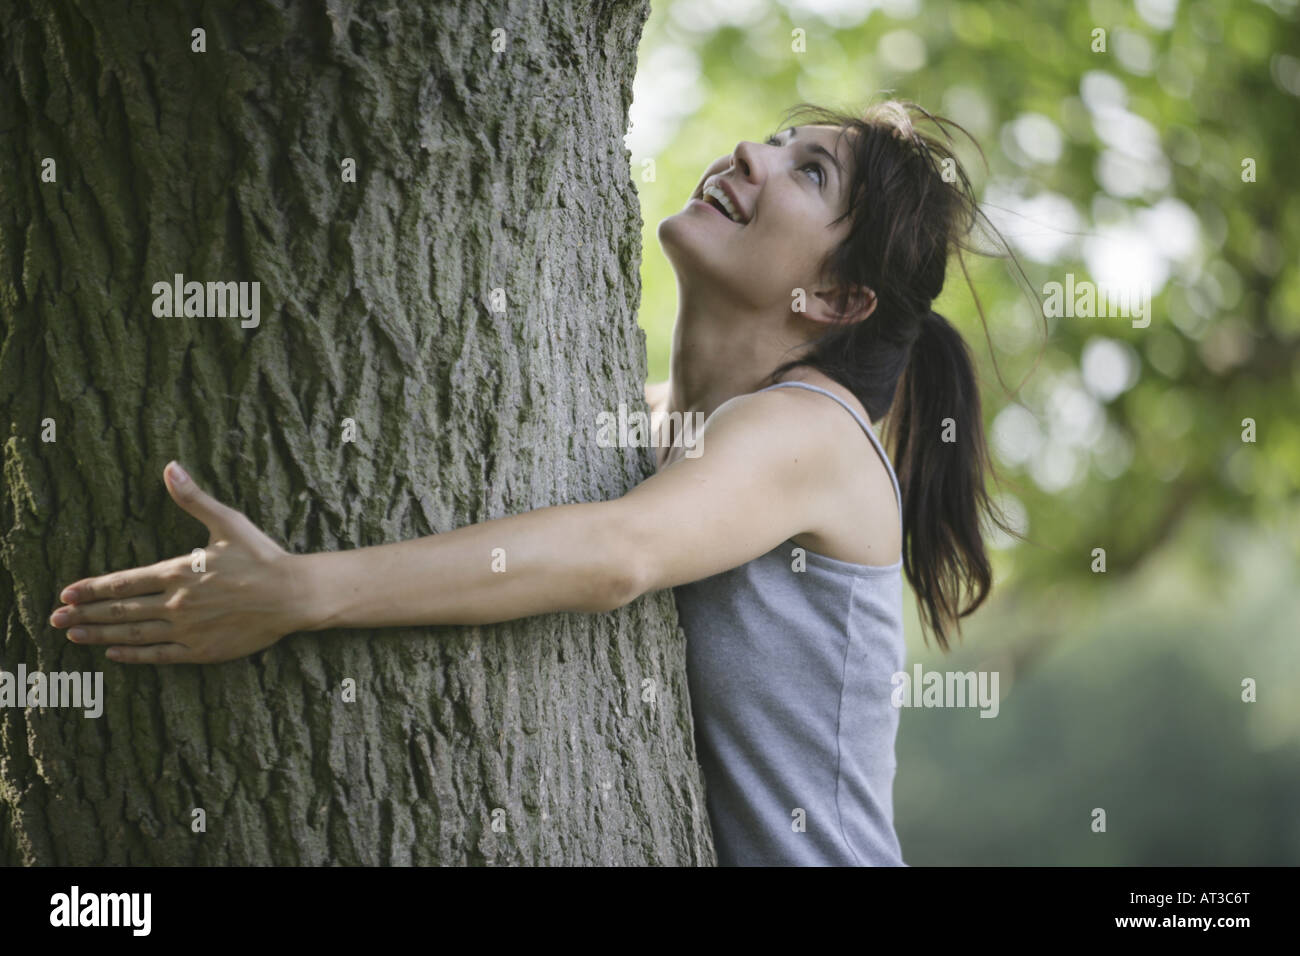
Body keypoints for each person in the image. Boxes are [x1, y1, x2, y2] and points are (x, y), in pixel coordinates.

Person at [48, 100, 1022, 866]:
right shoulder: (650, 422)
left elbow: (615, 553)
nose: (748, 153)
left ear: (835, 299)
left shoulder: (807, 431)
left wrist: (303, 590)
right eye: (774, 137)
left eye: (808, 171)